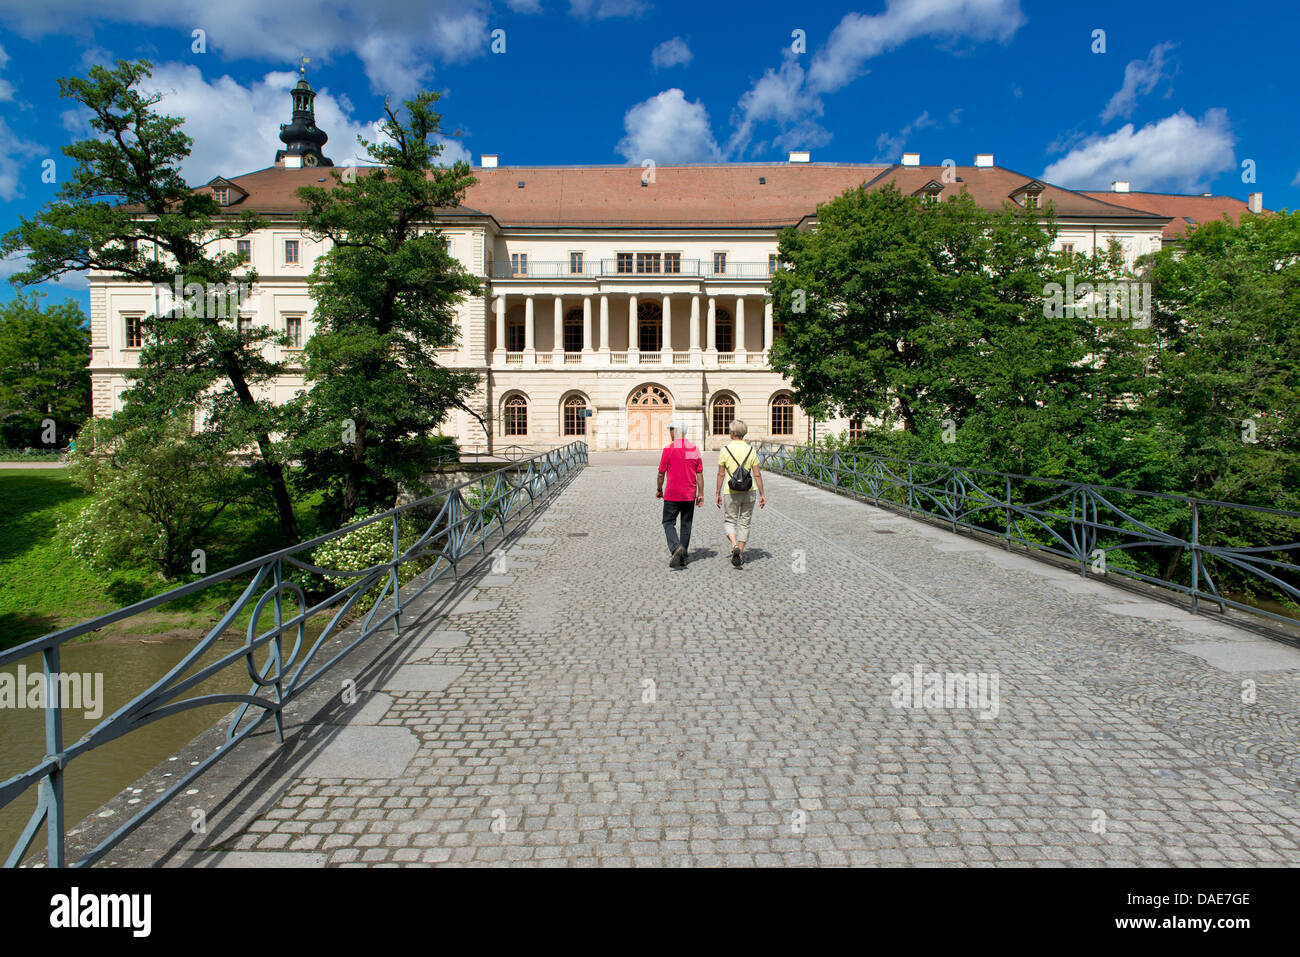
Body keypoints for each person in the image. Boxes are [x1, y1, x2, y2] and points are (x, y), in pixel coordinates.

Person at [715, 419, 765, 567]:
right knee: (745, 522)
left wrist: (717, 492)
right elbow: (757, 474)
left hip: (730, 491)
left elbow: (720, 474)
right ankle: (741, 553)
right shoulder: (751, 450)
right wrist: (762, 494)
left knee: (730, 520)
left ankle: (735, 545)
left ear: (732, 433)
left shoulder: (725, 449)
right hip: (749, 490)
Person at [656, 420, 703, 568]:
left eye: (670, 429)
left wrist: (659, 489)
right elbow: (699, 474)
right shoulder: (693, 449)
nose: (669, 432)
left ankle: (676, 547)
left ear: (675, 431)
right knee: (686, 524)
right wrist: (700, 494)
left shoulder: (669, 449)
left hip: (672, 494)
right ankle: (683, 556)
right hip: (689, 493)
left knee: (668, 522)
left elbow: (661, 473)